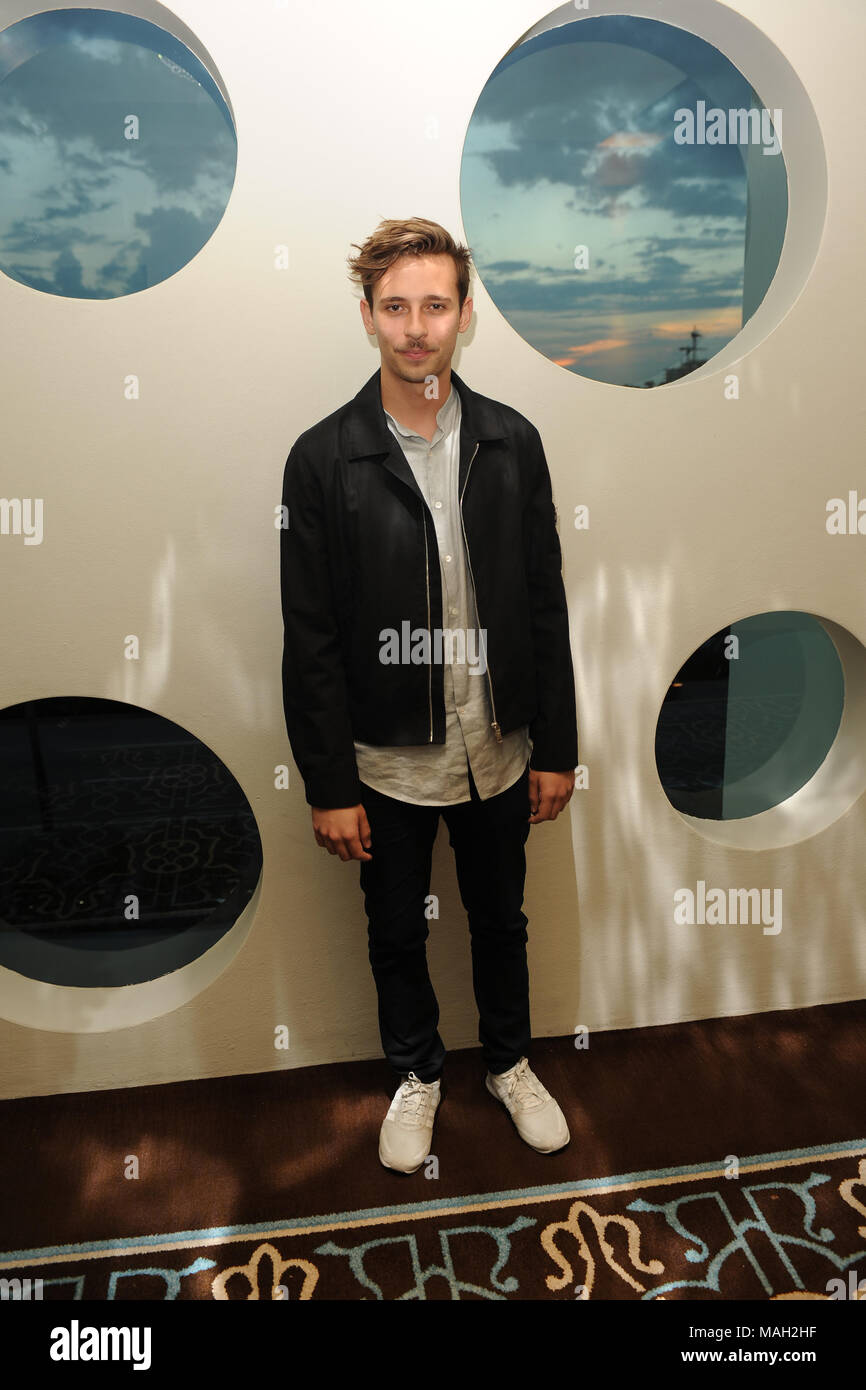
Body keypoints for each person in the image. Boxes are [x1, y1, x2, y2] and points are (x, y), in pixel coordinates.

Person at [280, 216, 578, 1173]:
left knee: (501, 922)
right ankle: (416, 1075)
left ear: (465, 316)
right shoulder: (322, 460)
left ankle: (509, 1063)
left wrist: (558, 747)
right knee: (395, 931)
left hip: (498, 747)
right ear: (367, 316)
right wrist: (327, 783)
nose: (417, 327)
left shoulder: (512, 443)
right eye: (397, 307)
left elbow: (544, 606)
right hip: (385, 760)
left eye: (435, 306)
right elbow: (311, 639)